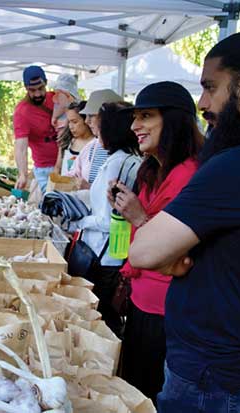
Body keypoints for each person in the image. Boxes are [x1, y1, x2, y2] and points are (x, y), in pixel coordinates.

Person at [128, 30, 240, 412]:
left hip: (213, 372)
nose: (202, 103)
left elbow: (143, 252)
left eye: (211, 88)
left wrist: (170, 257)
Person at [109, 81, 203, 402]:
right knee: (133, 388)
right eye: (135, 117)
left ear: (175, 121)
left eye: (146, 116)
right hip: (141, 301)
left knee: (149, 395)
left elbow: (177, 254)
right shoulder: (151, 170)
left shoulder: (189, 176)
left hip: (167, 312)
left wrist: (138, 217)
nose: (135, 126)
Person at [74, 101, 141, 336]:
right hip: (104, 254)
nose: (93, 127)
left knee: (100, 319)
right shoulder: (120, 160)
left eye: (98, 123)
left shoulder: (119, 164)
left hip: (104, 257)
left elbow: (107, 219)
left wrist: (78, 220)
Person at [13, 65, 59, 193]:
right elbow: (20, 147)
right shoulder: (22, 112)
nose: (38, 94)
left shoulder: (57, 99)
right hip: (45, 169)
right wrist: (23, 174)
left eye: (41, 88)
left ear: (46, 83)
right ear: (26, 88)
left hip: (65, 164)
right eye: (32, 90)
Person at [67, 89, 122, 189]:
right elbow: (73, 174)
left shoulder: (126, 153)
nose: (87, 121)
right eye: (86, 116)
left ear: (108, 118)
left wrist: (90, 187)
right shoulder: (91, 146)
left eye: (91, 116)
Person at [54, 101, 93, 176]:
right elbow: (58, 168)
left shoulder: (96, 143)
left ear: (86, 120)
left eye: (74, 122)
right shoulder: (66, 140)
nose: (71, 127)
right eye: (69, 122)